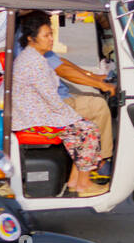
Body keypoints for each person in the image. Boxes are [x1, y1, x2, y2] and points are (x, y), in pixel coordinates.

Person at [12, 13, 107, 196]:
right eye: (46, 36)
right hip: (33, 119)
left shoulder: (35, 57)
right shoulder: (34, 62)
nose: (51, 39)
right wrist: (75, 118)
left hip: (36, 111)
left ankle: (74, 180)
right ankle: (84, 184)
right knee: (88, 129)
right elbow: (53, 100)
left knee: (83, 125)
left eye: (51, 34)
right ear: (32, 39)